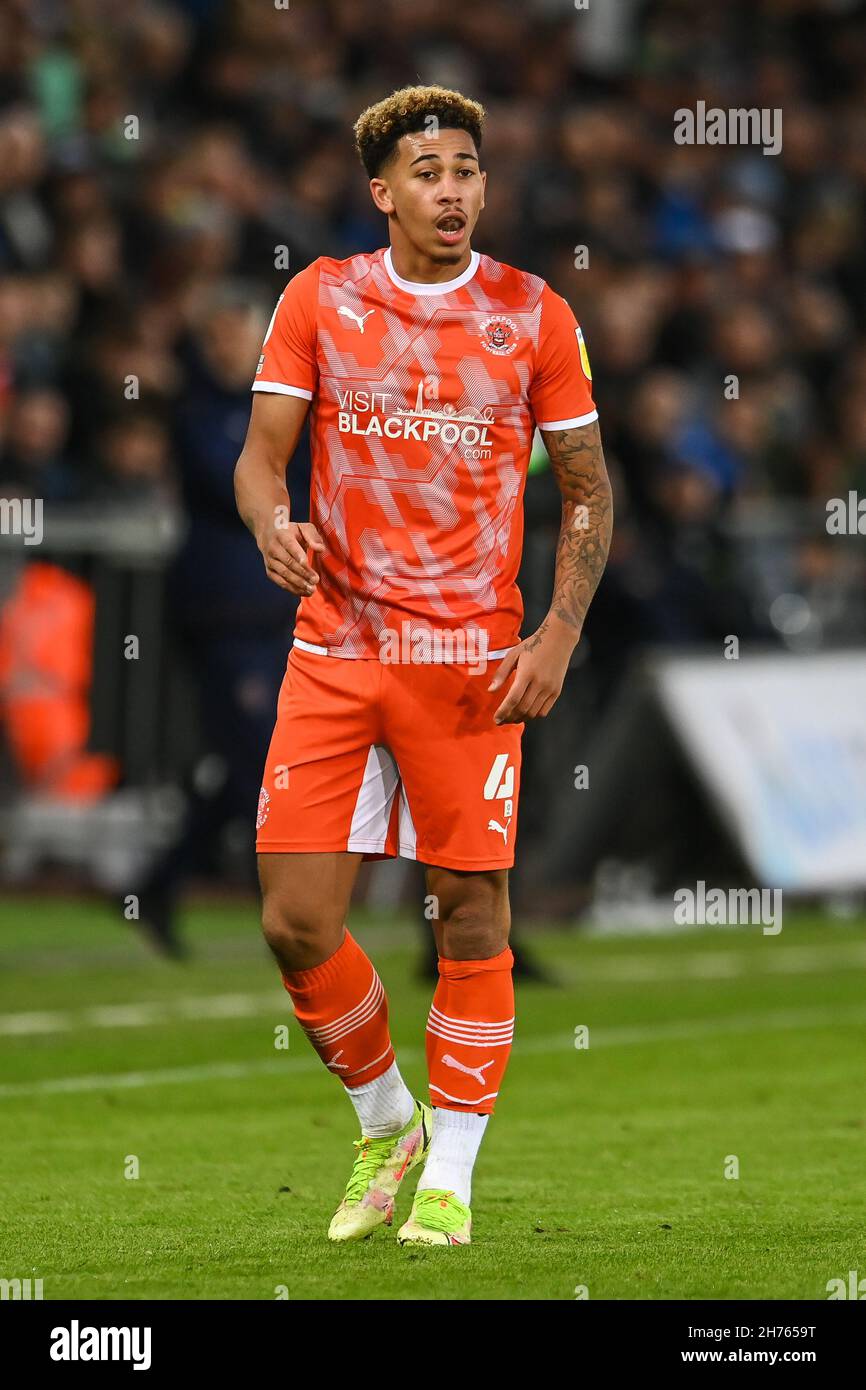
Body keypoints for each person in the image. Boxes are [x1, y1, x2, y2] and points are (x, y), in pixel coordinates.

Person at [233, 85, 612, 1247]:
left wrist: (553, 632)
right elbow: (260, 461)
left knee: (467, 912)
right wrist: (269, 525)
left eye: (466, 170)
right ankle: (385, 1116)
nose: (451, 189)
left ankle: (448, 1167)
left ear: (484, 187)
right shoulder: (321, 297)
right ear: (382, 193)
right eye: (427, 171)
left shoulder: (534, 314)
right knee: (294, 919)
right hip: (337, 647)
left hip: (465, 659)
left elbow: (588, 493)